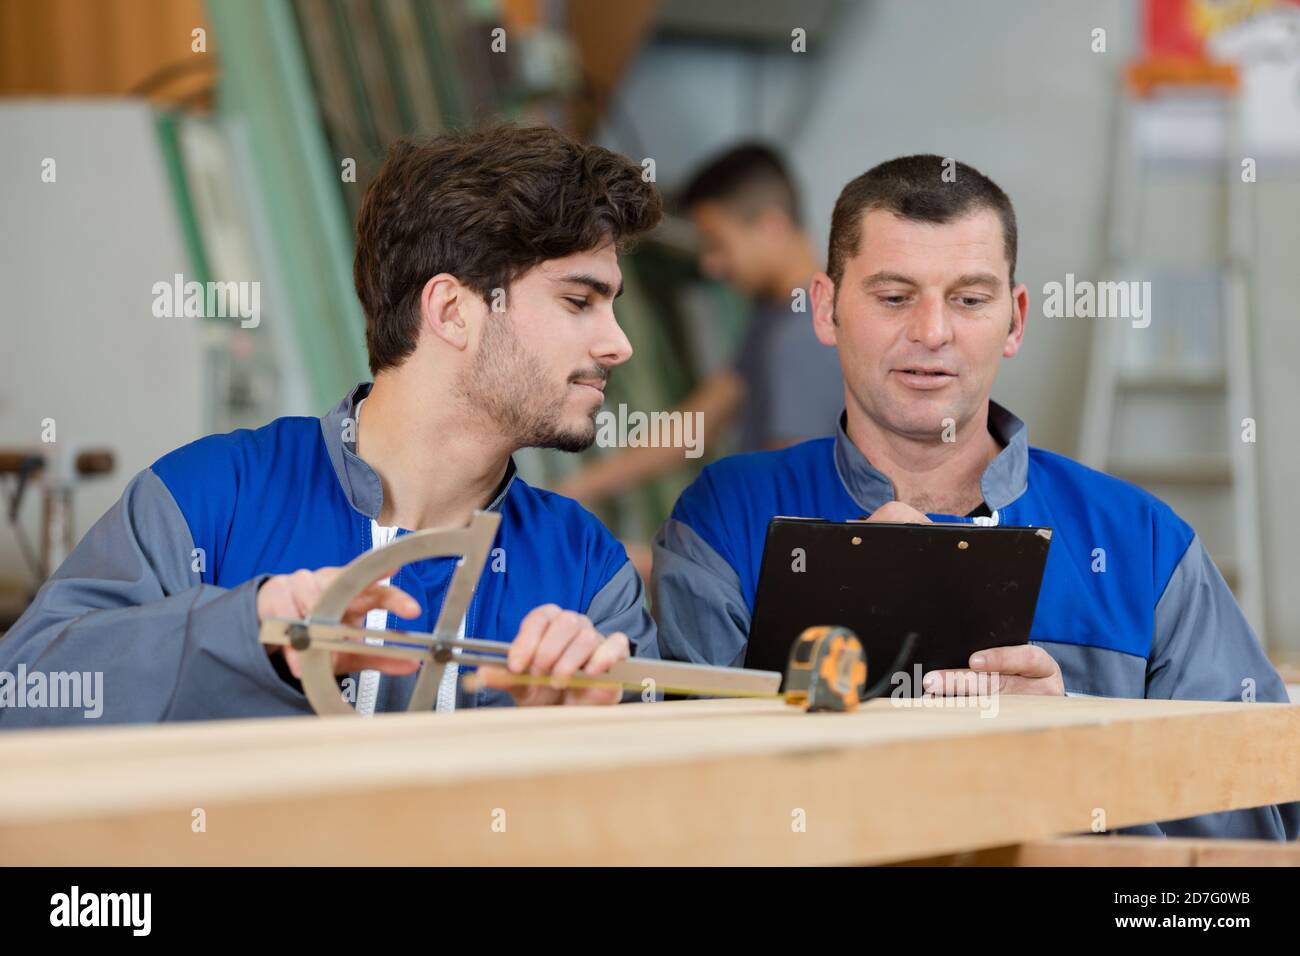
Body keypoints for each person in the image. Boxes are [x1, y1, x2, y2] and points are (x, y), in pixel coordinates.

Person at [652, 154, 1299, 841]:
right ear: (825, 309)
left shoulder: (1143, 545)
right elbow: (687, 806)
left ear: (1015, 320)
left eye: (969, 298)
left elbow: (1255, 829)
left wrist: (1069, 743)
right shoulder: (726, 520)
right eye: (894, 296)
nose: (933, 332)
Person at [0, 124, 663, 726]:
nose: (618, 344)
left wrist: (584, 734)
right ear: (452, 311)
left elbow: (663, 812)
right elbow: (21, 696)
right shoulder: (209, 499)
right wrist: (246, 630)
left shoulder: (586, 571)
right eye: (579, 301)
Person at [556, 143, 842, 506]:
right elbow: (697, 423)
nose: (711, 265)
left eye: (717, 244)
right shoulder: (774, 316)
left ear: (771, 226)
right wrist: (571, 491)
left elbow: (788, 499)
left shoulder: (804, 335)